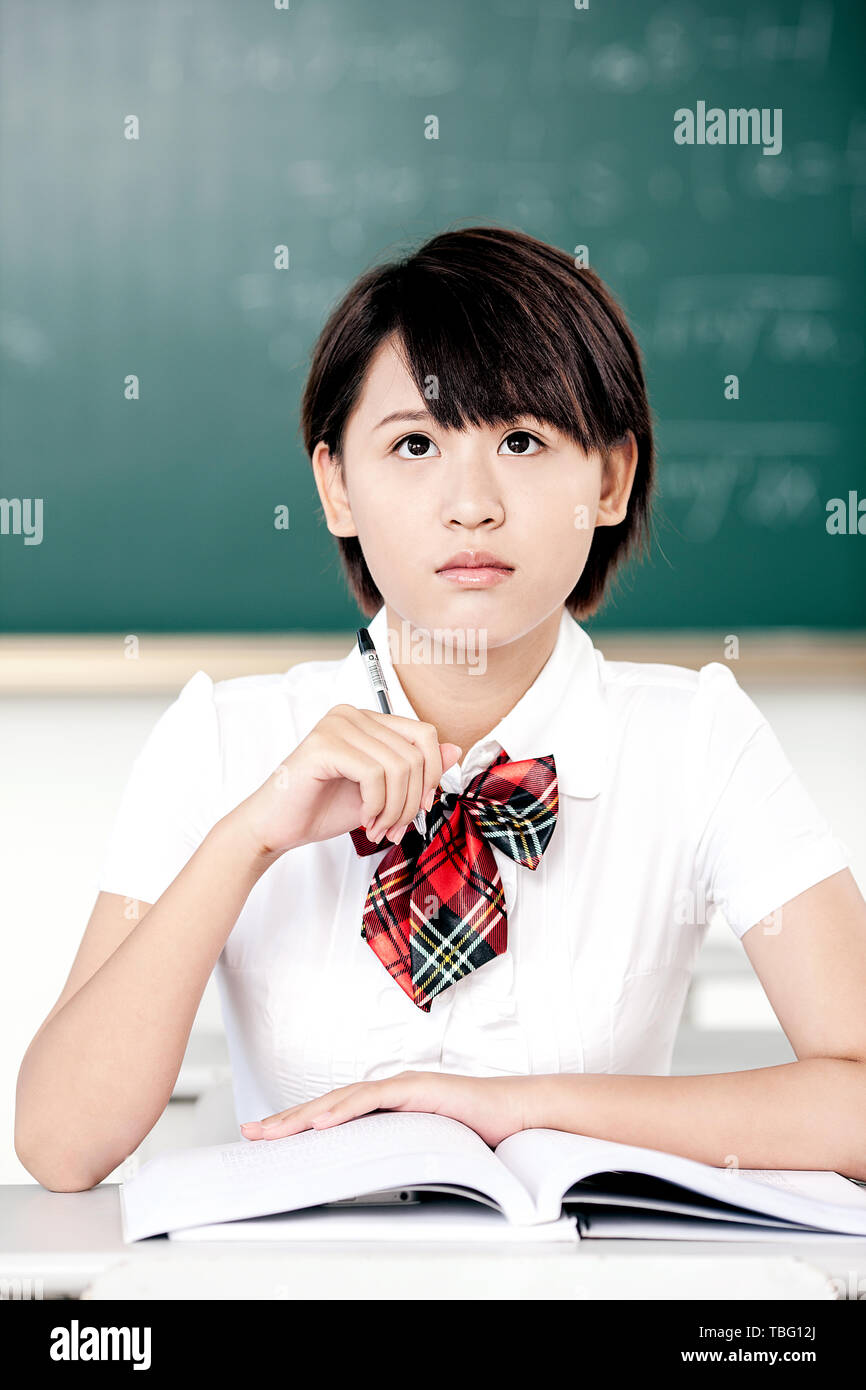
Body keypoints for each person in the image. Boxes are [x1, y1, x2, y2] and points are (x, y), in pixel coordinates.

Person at [15, 226, 866, 1190]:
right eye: (415, 443)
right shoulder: (224, 738)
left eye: (521, 439)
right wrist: (248, 837)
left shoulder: (697, 739)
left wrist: (518, 1109)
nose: (472, 504)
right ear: (335, 485)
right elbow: (60, 1145)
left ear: (612, 479)